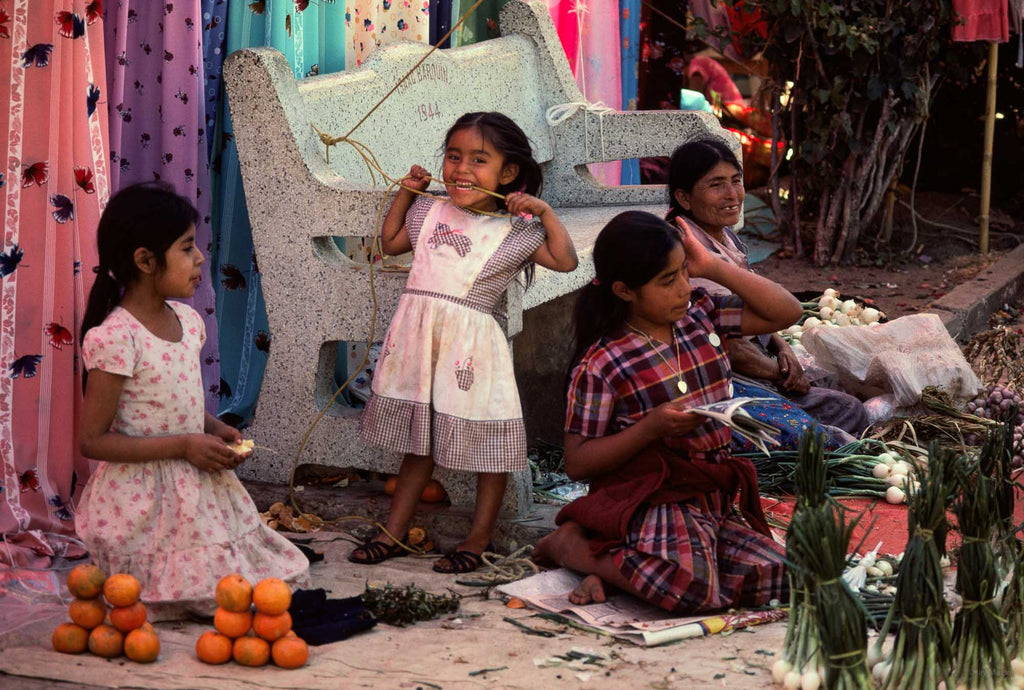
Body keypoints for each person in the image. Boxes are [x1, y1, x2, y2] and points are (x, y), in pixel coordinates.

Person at [532, 211, 796, 612]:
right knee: (693, 589)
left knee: (785, 578)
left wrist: (711, 265)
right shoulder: (604, 362)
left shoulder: (699, 316)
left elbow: (786, 311)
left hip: (710, 497)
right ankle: (574, 547)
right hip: (649, 500)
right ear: (624, 291)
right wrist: (649, 429)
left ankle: (622, 572)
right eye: (668, 281)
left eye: (685, 274)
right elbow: (578, 462)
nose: (684, 289)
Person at [355, 112, 578, 573]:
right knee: (418, 445)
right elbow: (392, 241)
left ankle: (478, 537)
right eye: (454, 157)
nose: (461, 169)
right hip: (419, 346)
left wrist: (545, 213)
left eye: (479, 160)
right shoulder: (430, 210)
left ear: (508, 173)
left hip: (473, 356)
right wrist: (407, 193)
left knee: (487, 450)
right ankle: (393, 530)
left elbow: (565, 260)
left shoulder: (516, 231)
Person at [77, 183, 309, 618]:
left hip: (196, 485)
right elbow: (93, 441)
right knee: (206, 589)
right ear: (145, 261)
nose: (201, 257)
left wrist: (212, 427)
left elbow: (170, 402)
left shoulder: (186, 320)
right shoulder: (114, 338)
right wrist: (184, 445)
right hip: (143, 499)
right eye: (187, 247)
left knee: (256, 576)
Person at [666, 139, 869, 441]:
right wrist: (780, 372)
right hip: (724, 380)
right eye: (716, 185)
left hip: (758, 365)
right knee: (825, 439)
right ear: (684, 197)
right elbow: (729, 347)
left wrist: (782, 348)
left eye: (736, 181)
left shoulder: (722, 236)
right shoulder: (687, 254)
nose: (732, 195)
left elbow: (753, 310)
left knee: (850, 408)